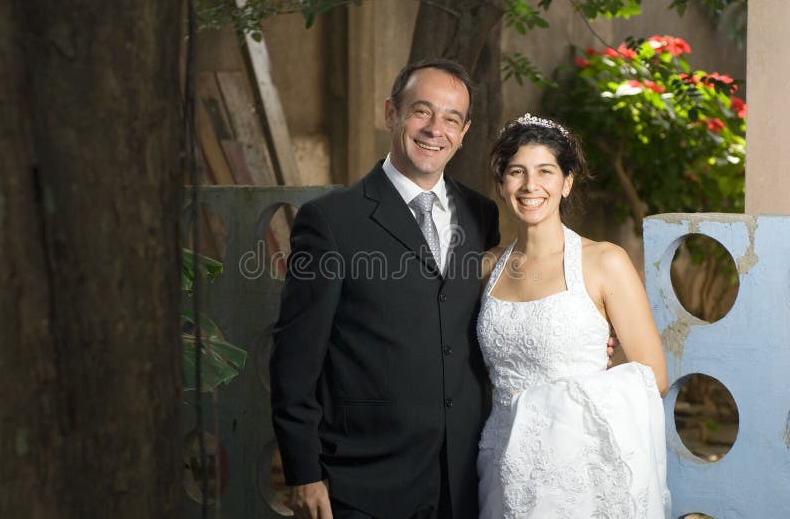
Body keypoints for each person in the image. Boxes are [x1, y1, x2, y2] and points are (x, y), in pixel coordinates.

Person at [270, 59, 501, 519]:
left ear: (465, 130)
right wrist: (303, 471)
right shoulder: (331, 221)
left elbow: (491, 316)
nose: (436, 129)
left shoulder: (482, 214)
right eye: (422, 111)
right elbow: (294, 359)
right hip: (363, 477)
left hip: (465, 475)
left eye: (451, 119)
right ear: (390, 113)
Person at [476, 114, 671, 518]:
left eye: (545, 171)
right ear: (502, 184)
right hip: (498, 461)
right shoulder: (485, 268)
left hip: (577, 471)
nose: (531, 186)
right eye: (517, 172)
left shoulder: (604, 262)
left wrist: (573, 393)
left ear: (566, 182)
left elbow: (655, 377)